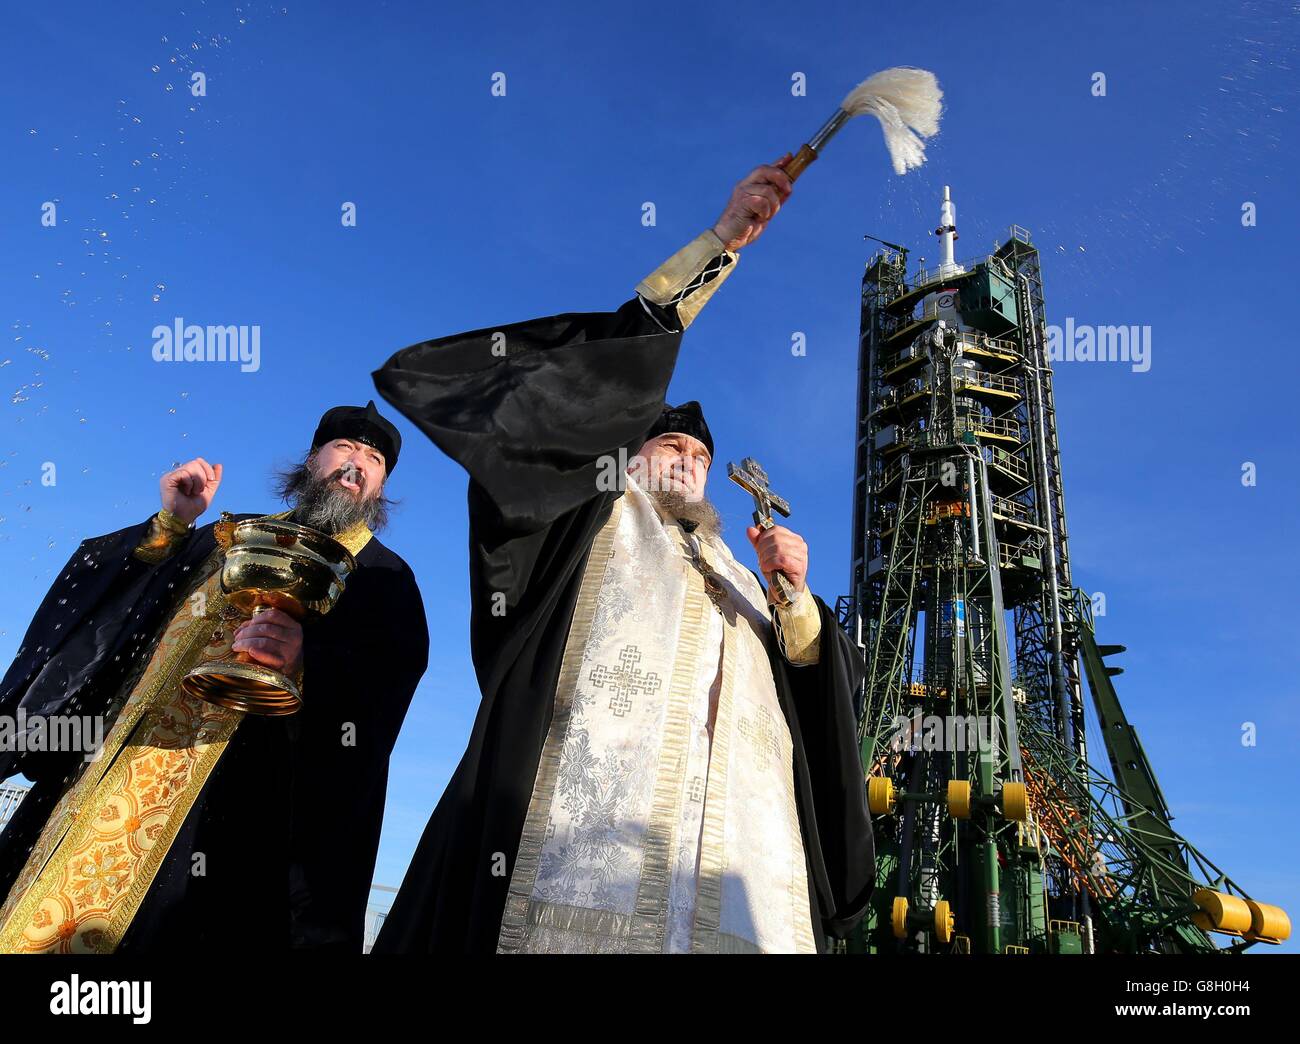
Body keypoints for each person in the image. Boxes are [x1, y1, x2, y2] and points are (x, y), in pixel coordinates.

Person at [371, 161, 873, 953]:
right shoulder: (586, 521)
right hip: (572, 865)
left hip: (734, 885)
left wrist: (798, 604)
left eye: (700, 457)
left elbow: (823, 721)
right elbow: (584, 393)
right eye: (667, 444)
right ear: (624, 455)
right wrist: (719, 243)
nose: (687, 462)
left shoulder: (746, 581)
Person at [0, 401, 428, 953]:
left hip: (239, 809)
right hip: (117, 765)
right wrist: (172, 525)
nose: (357, 463)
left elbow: (389, 679)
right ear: (312, 459)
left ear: (380, 485)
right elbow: (116, 615)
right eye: (344, 447)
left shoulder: (383, 577)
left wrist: (308, 658)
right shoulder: (229, 537)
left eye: (374, 459)